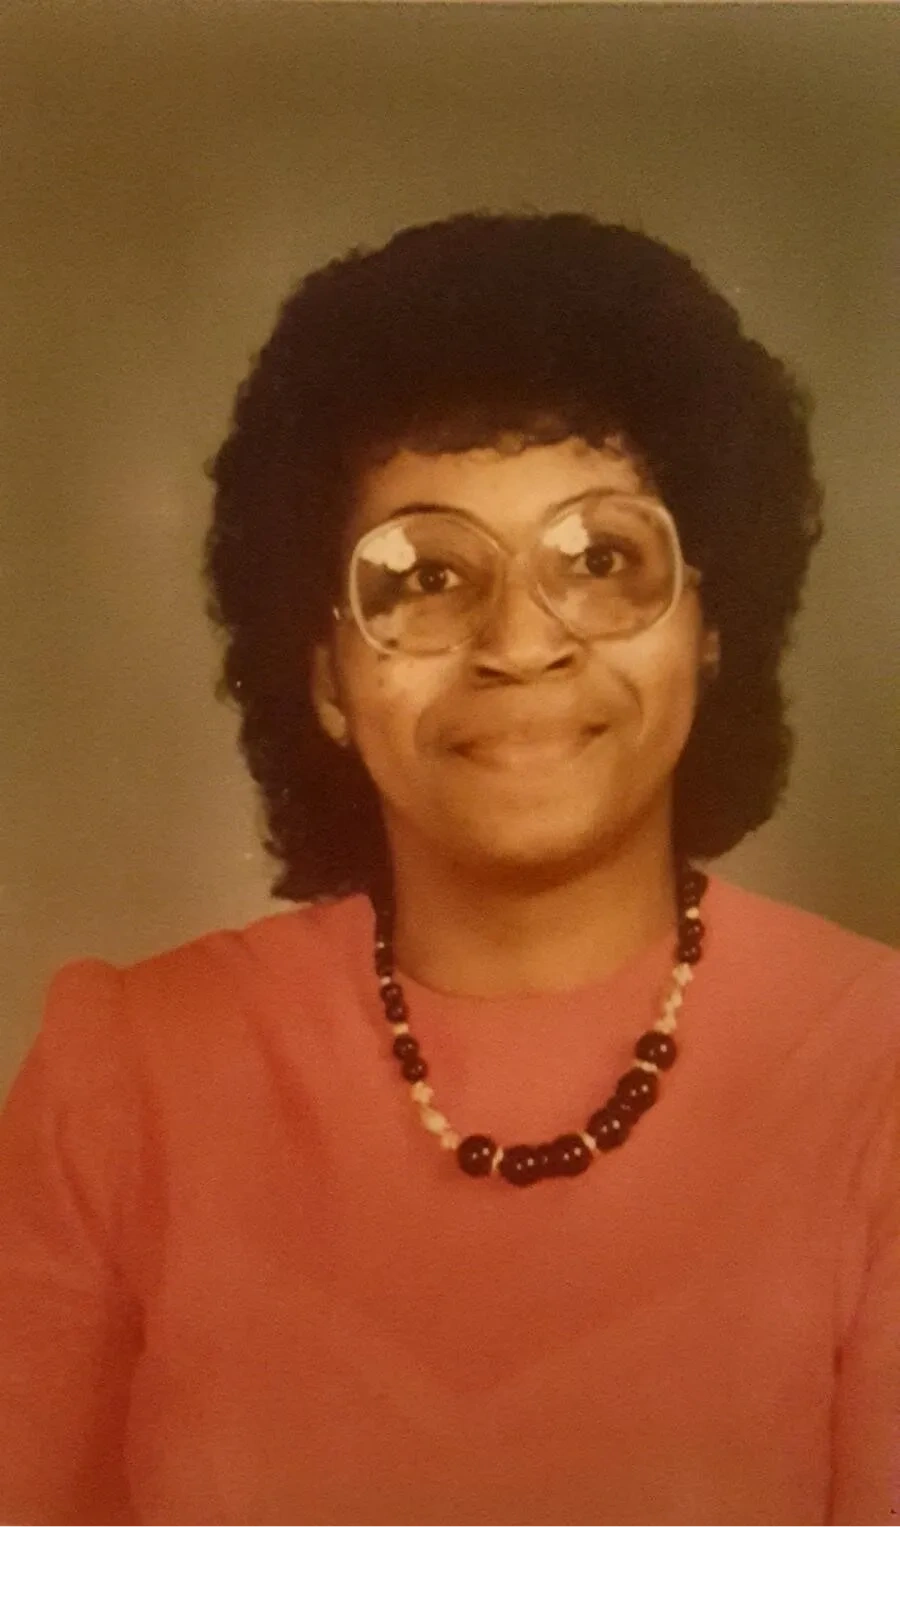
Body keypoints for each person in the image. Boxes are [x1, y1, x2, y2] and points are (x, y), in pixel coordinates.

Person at [1, 211, 897, 1529]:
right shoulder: (126, 1078)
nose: (519, 645)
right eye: (424, 578)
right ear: (324, 673)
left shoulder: (880, 1074)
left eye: (603, 560)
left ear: (712, 627)